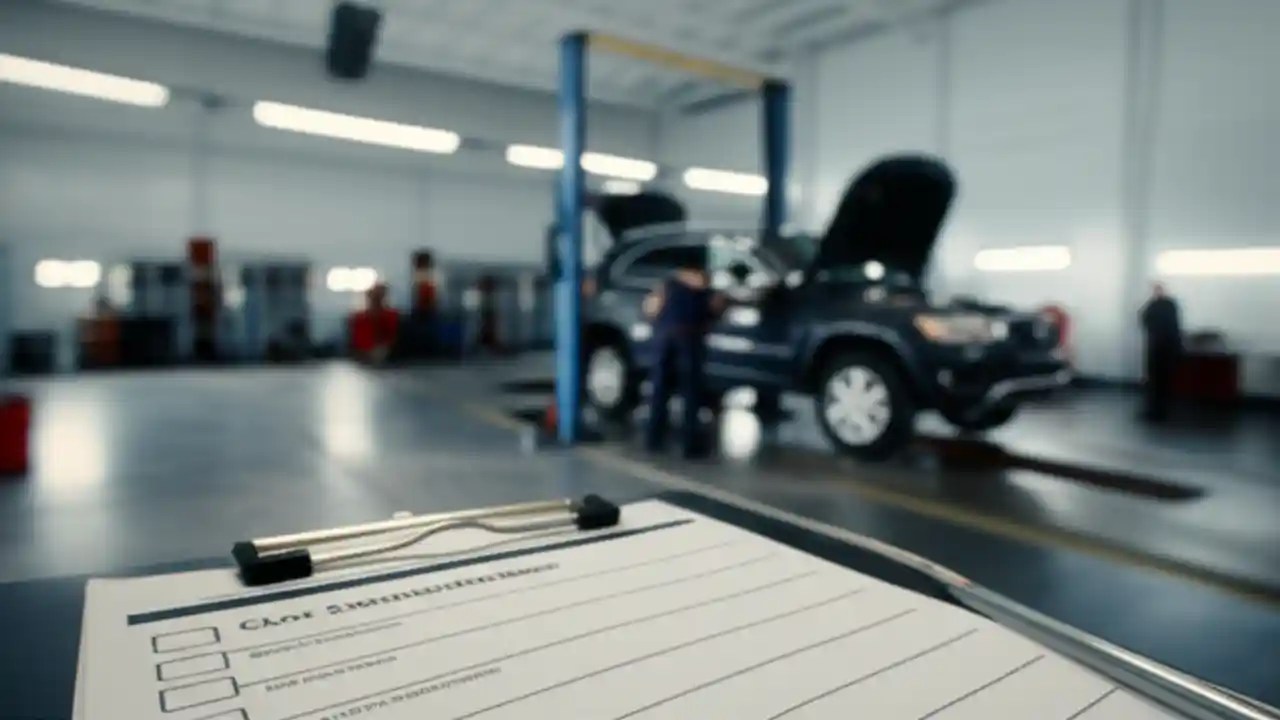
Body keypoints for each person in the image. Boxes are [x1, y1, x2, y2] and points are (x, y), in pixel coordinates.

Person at [643, 253, 724, 457]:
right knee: (691, 392)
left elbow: (650, 310)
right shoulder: (706, 290)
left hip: (664, 339)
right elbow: (716, 310)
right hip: (690, 340)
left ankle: (654, 438)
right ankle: (689, 443)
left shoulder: (666, 285)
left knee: (661, 390)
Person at [1139, 282, 1182, 421]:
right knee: (1155, 379)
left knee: (1161, 379)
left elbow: (1145, 320)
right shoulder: (1158, 304)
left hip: (1162, 346)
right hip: (1157, 347)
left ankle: (1159, 410)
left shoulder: (1165, 304)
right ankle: (1154, 409)